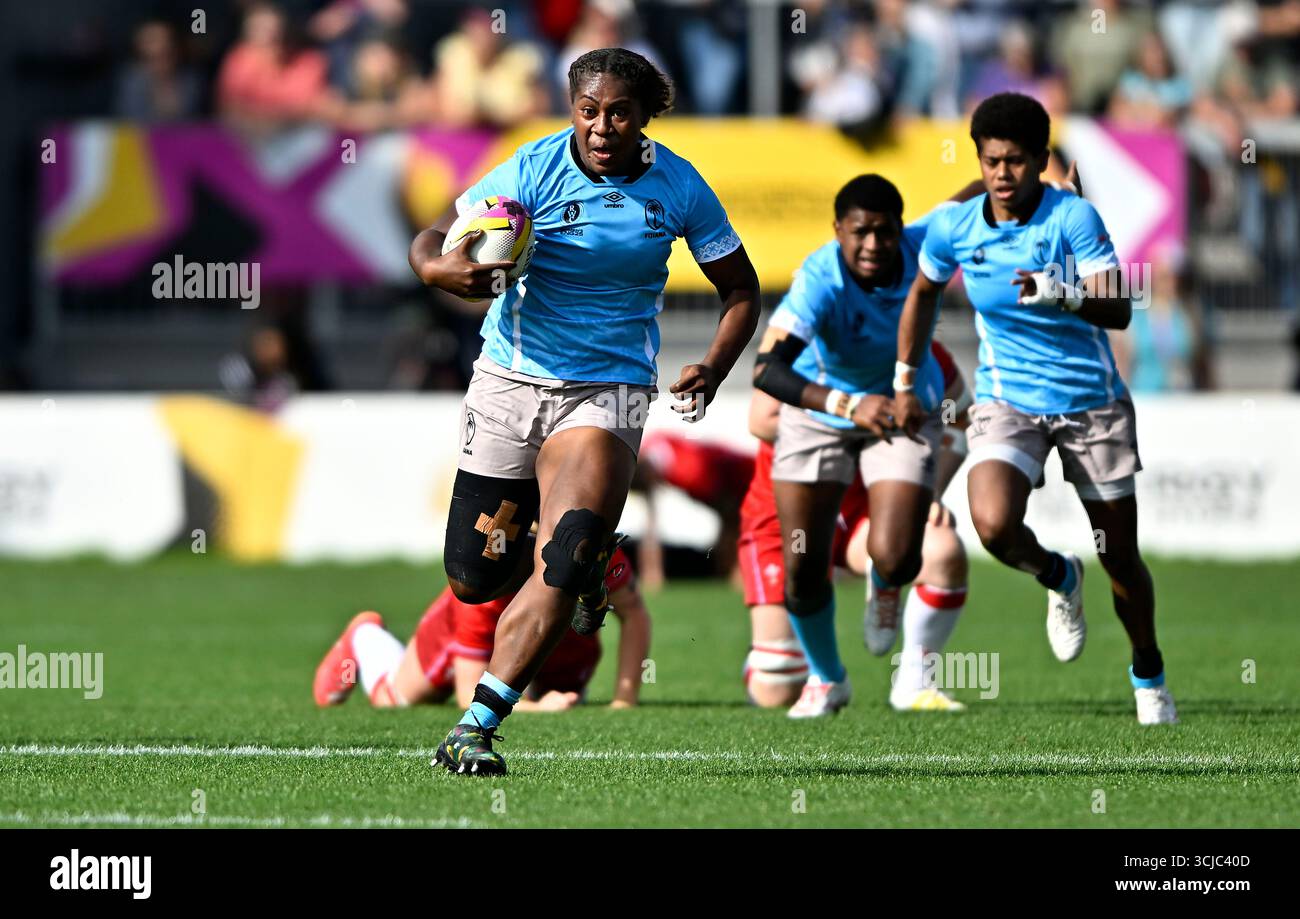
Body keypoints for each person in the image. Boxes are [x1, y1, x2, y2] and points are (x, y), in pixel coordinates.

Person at [408, 48, 760, 775]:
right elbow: (431, 236)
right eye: (588, 111)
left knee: (562, 554)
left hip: (609, 390)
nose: (602, 127)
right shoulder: (531, 168)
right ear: (572, 108)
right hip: (508, 381)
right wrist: (439, 268)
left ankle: (477, 725)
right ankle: (595, 562)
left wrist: (715, 366)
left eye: (619, 113)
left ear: (645, 116)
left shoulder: (679, 185)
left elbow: (741, 289)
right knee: (473, 578)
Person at [894, 91, 1178, 726]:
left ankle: (1148, 672)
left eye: (1016, 161)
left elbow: (1118, 308)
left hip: (1089, 402)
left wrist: (1058, 291)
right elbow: (922, 292)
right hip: (1008, 400)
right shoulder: (956, 226)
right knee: (993, 524)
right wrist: (904, 378)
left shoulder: (1072, 217)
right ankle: (1059, 576)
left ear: (1041, 160)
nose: (1002, 174)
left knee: (1120, 557)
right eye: (991, 161)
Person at [751, 172, 983, 718]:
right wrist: (846, 405)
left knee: (899, 557)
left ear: (901, 228)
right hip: (821, 413)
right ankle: (828, 680)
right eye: (860, 232)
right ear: (838, 230)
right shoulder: (819, 278)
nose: (874, 244)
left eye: (884, 232)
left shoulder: (926, 242)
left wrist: (1049, 191)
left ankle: (885, 584)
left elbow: (974, 194)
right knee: (803, 567)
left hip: (903, 411)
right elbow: (767, 370)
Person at [740, 340, 972, 713]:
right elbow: (761, 420)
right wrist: (853, 415)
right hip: (787, 512)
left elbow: (958, 416)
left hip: (868, 510)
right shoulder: (808, 333)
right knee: (777, 689)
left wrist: (930, 492)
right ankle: (802, 668)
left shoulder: (925, 353)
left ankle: (914, 682)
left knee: (942, 552)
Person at [313, 544, 650, 711]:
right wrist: (538, 710)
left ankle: (536, 686)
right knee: (397, 699)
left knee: (559, 684)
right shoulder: (489, 582)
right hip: (459, 635)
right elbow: (469, 693)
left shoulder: (589, 548)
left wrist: (624, 699)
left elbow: (633, 612)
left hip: (555, 655)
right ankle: (364, 635)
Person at [632, 430, 755, 589]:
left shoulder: (690, 472)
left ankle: (738, 573)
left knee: (734, 519)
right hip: (727, 478)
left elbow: (730, 511)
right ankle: (731, 573)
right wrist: (652, 573)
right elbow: (650, 523)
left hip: (748, 476)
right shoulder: (651, 445)